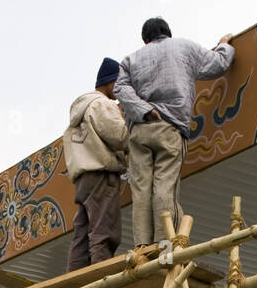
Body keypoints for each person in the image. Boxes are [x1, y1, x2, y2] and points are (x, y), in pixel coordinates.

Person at [114, 18, 235, 247]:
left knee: (141, 189)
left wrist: (144, 110)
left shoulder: (130, 60)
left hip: (139, 130)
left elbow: (119, 88)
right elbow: (218, 64)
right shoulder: (183, 47)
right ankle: (164, 241)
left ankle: (142, 245)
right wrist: (224, 44)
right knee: (165, 186)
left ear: (145, 39)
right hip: (170, 126)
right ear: (168, 33)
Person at [63, 58, 129, 270]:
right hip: (102, 174)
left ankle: (75, 282)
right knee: (104, 230)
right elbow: (120, 136)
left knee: (82, 234)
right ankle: (100, 280)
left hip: (83, 178)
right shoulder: (102, 104)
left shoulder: (79, 111)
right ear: (111, 83)